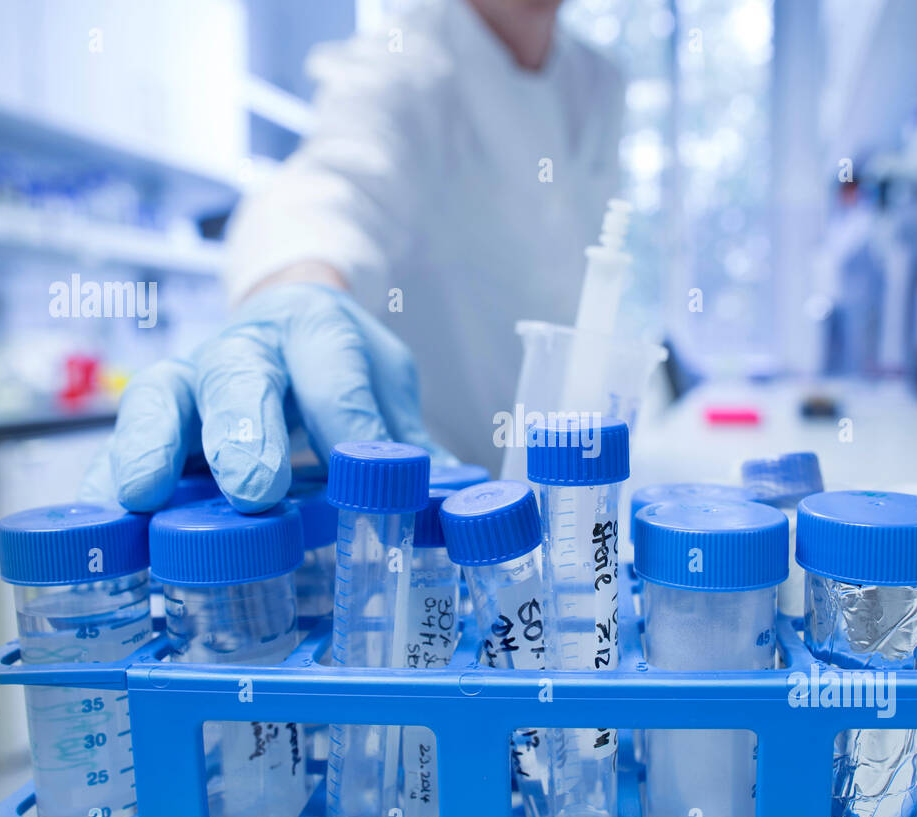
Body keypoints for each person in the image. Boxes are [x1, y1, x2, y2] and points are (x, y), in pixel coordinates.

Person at [82, 0, 623, 513]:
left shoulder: (599, 81)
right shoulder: (401, 63)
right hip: (420, 510)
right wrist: (295, 292)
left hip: (551, 502)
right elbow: (333, 185)